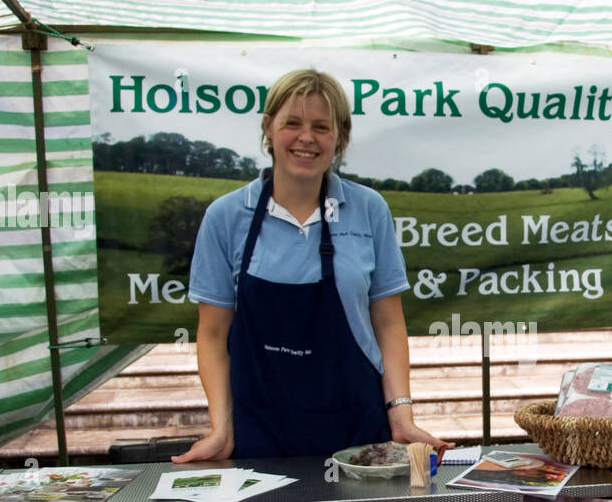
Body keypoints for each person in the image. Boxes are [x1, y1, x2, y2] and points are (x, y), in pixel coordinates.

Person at [173, 68, 449, 462]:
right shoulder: (226, 216)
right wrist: (221, 428)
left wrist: (401, 414)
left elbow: (388, 322)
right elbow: (213, 334)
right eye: (293, 123)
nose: (306, 138)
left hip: (359, 429)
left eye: (322, 126)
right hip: (260, 432)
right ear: (268, 127)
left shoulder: (369, 209)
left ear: (340, 138)